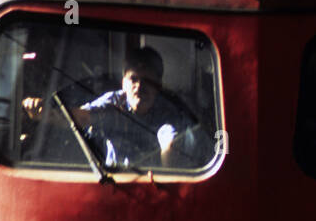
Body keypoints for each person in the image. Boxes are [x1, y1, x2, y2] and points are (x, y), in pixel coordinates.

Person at [23, 47, 207, 170]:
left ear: (158, 85)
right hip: (114, 183)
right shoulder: (114, 102)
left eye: (148, 81)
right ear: (123, 83)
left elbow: (170, 145)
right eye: (133, 79)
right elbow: (82, 117)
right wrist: (44, 114)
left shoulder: (169, 112)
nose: (139, 87)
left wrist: (166, 175)